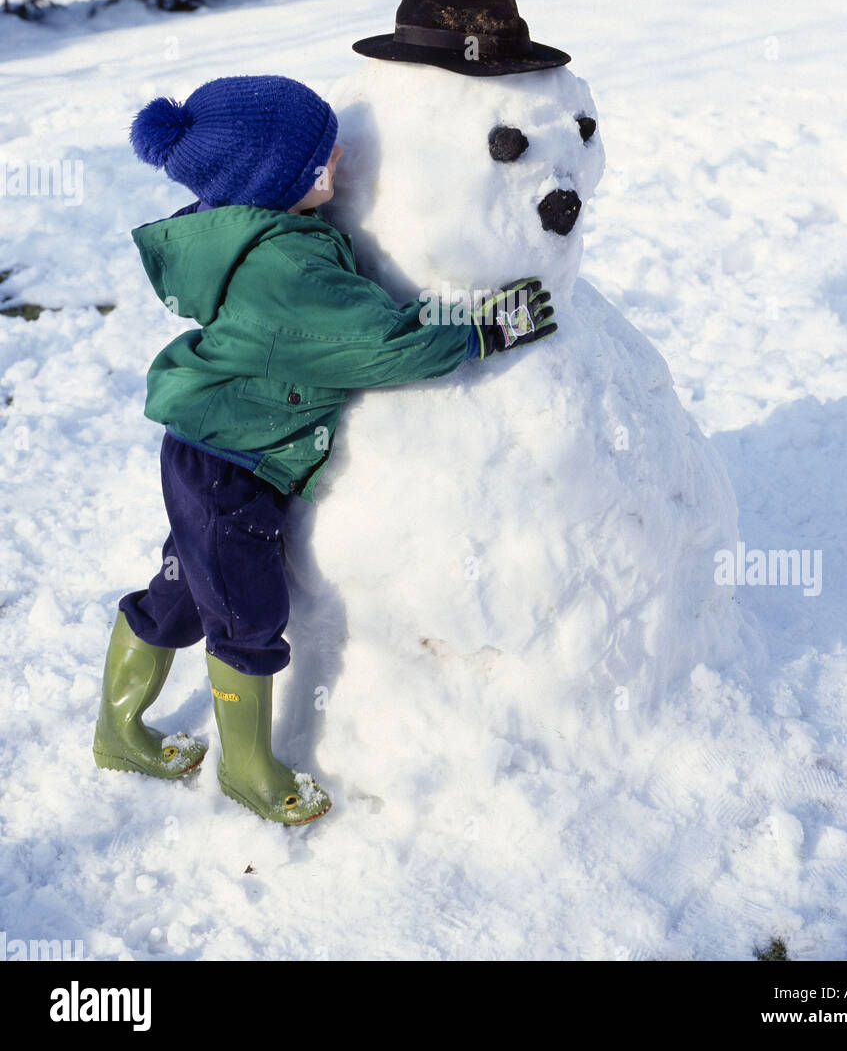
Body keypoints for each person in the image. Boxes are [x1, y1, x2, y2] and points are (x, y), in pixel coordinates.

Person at [93, 74, 556, 825]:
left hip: (204, 452)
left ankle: (118, 729)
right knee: (246, 616)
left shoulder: (257, 230)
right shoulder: (285, 270)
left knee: (181, 591)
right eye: (319, 160)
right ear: (273, 187)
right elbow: (378, 344)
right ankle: (247, 769)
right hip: (231, 474)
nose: (338, 155)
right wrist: (481, 330)